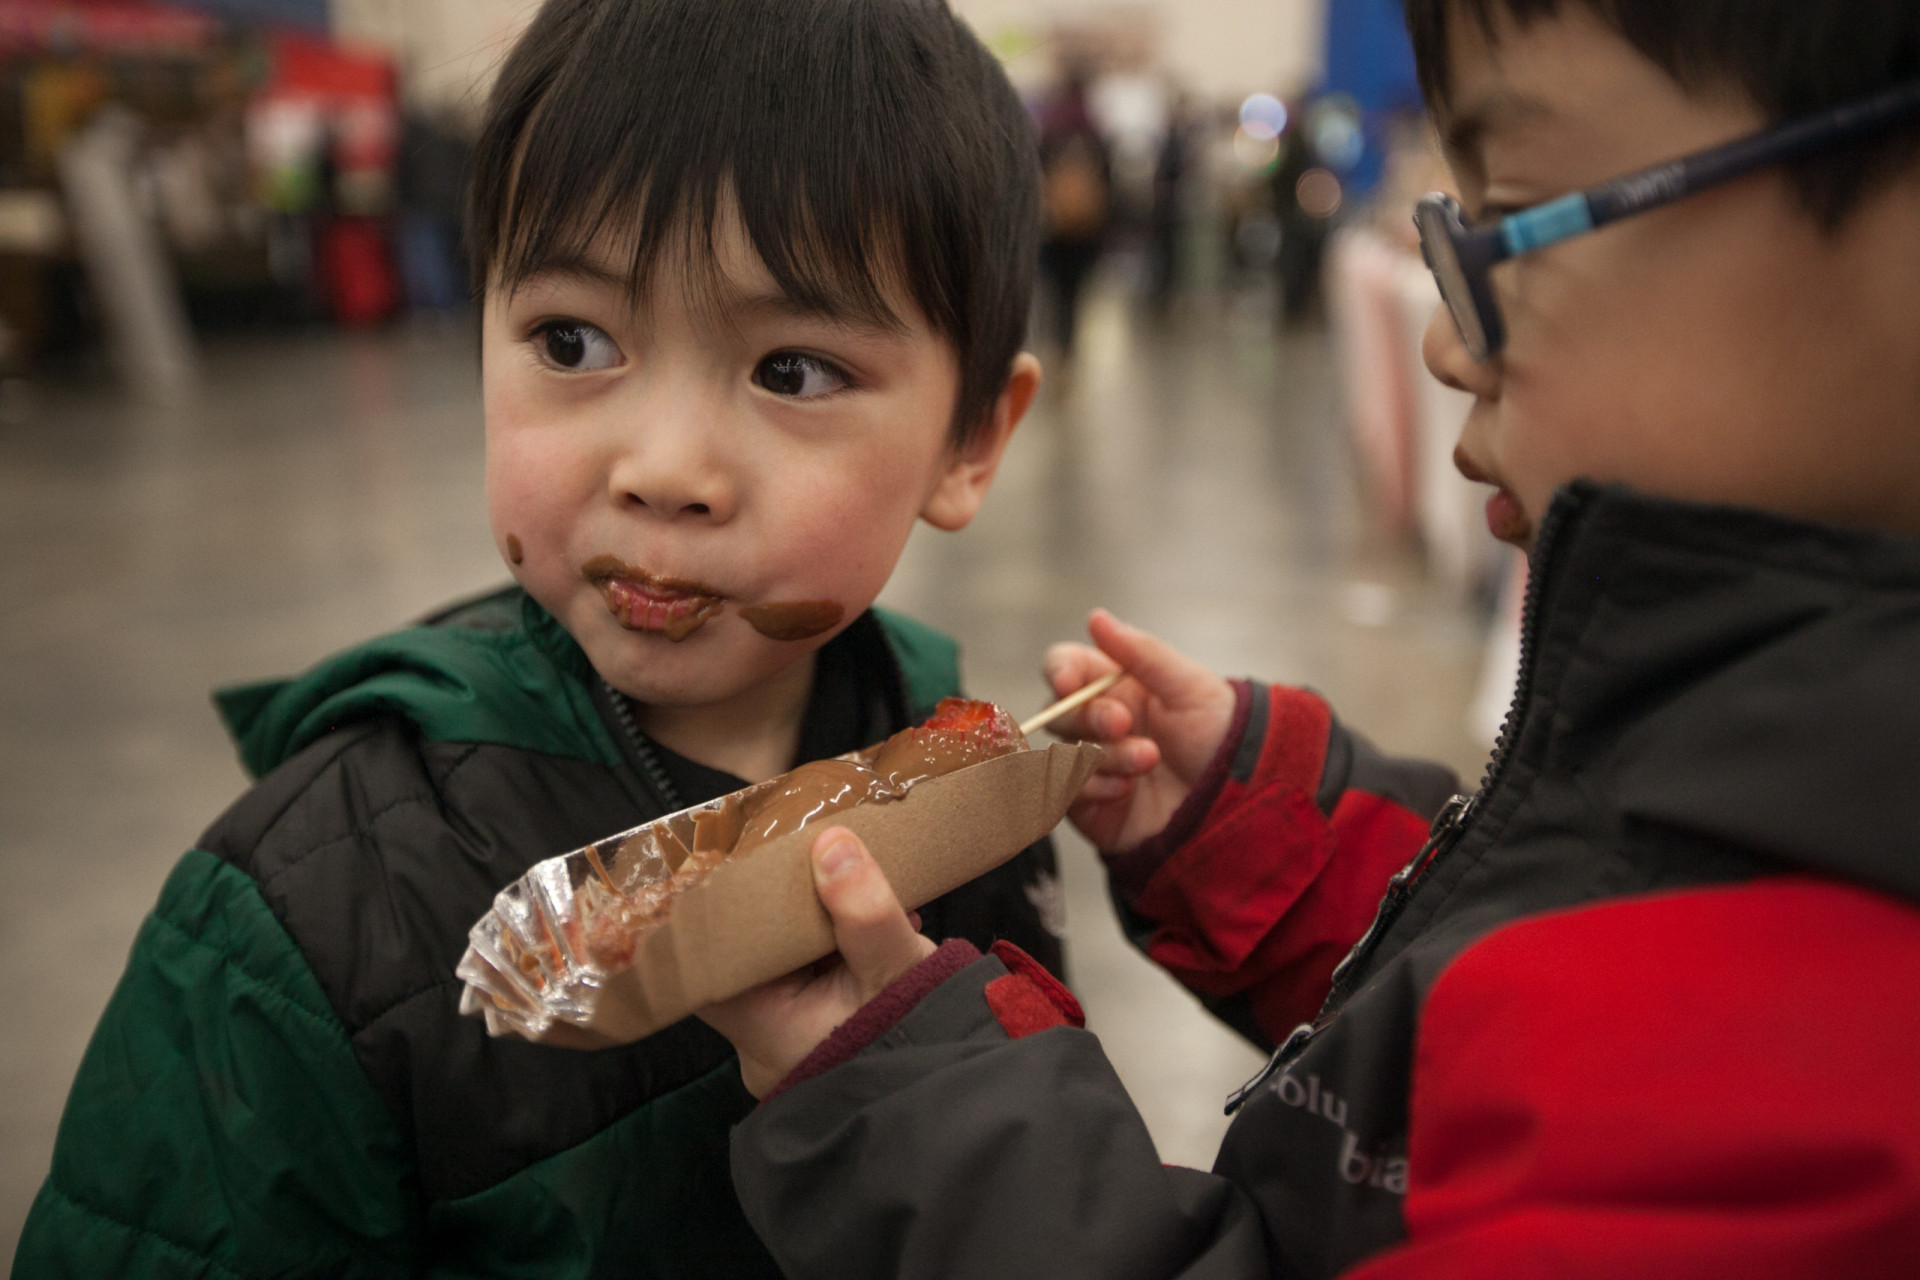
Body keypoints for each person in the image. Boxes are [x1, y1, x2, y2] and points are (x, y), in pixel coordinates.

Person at [702, 1, 1920, 1275]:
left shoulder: (1823, 1085)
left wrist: (921, 1126)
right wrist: (1265, 830)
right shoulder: (1739, 776)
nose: (1447, 340)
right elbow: (1537, 974)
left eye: (1512, 219)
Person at [13, 1, 1056, 1275]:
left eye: (794, 370)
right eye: (574, 341)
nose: (665, 471)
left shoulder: (967, 790)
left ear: (971, 442)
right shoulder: (300, 925)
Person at [1036, 68, 1113, 358]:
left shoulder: (1050, 134)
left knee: (1051, 292)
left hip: (1053, 229)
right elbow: (1109, 189)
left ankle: (1051, 347)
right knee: (1074, 296)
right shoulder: (1096, 137)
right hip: (1085, 231)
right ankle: (1068, 351)